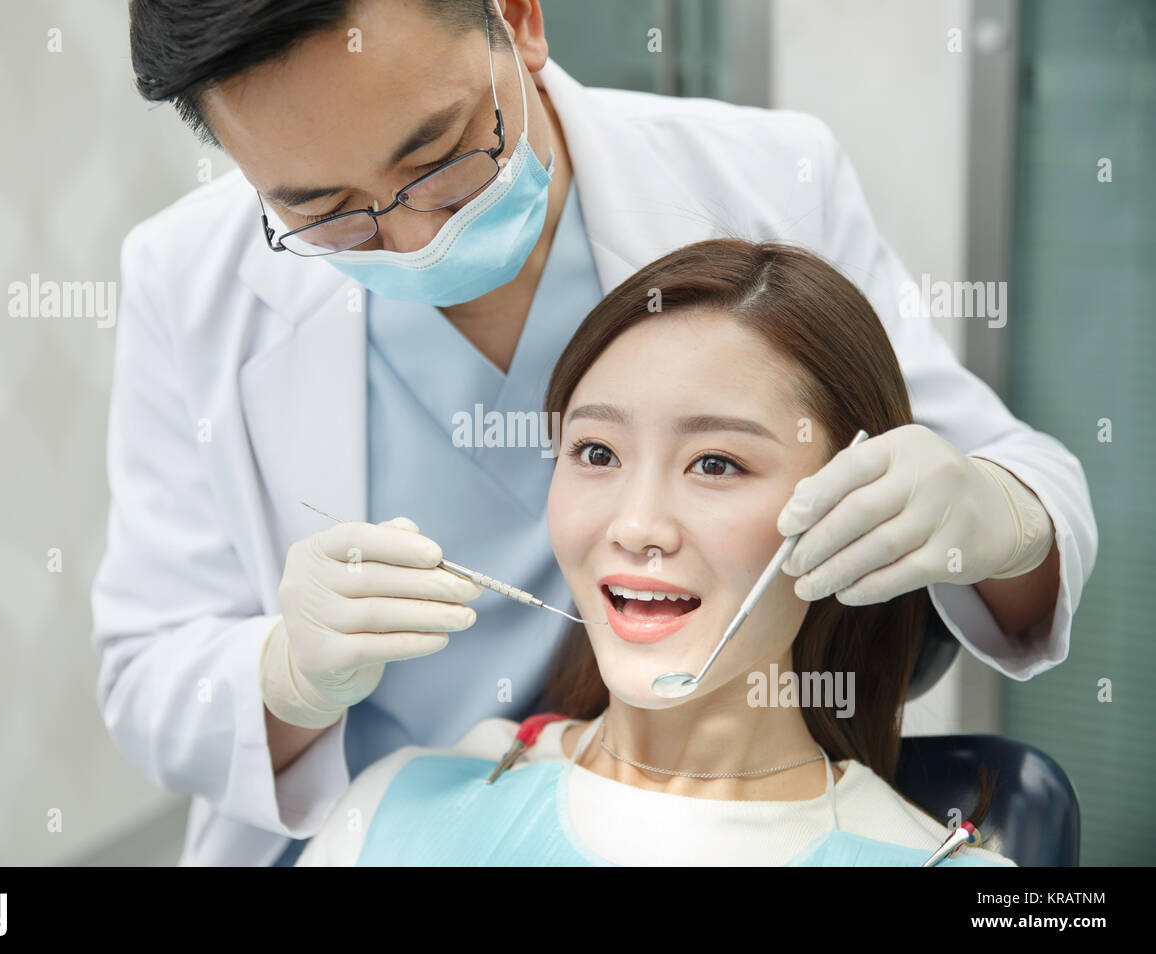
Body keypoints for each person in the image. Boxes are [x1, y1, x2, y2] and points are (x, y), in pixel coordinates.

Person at [92, 0, 1096, 866]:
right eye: (325, 214)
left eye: (438, 161)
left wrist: (990, 512)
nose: (409, 235)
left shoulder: (764, 181)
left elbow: (1009, 496)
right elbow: (148, 670)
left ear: (519, 18)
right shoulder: (188, 281)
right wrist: (285, 671)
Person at [296, 238, 1015, 866]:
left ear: (852, 509)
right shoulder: (395, 809)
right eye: (597, 451)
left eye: (715, 464)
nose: (637, 525)